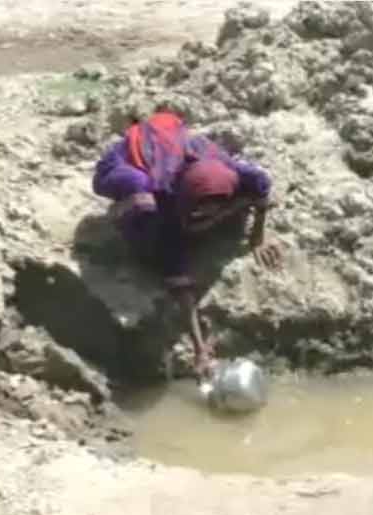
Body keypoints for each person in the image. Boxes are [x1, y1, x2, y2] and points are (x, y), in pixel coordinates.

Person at [92, 111, 282, 379]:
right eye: (195, 214)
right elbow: (180, 282)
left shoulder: (239, 176)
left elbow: (262, 191)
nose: (202, 222)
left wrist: (257, 238)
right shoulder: (166, 206)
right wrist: (199, 349)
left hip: (179, 143)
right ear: (184, 203)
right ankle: (124, 206)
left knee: (227, 206)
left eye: (212, 215)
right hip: (133, 156)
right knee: (141, 201)